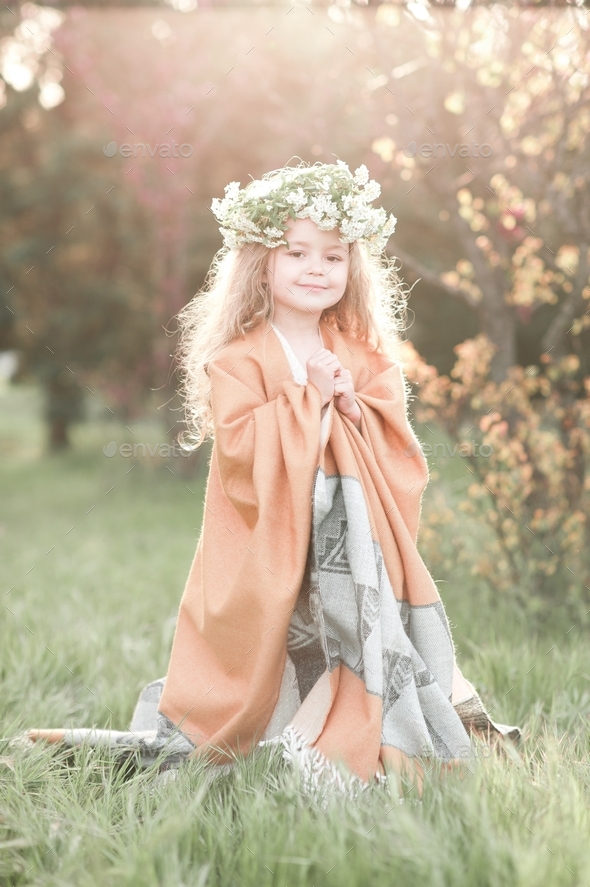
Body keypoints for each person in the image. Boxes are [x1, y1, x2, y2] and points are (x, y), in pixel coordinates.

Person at [24, 160, 520, 800]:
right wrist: (303, 402)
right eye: (297, 253)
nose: (317, 269)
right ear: (261, 260)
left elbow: (398, 449)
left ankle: (354, 736)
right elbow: (239, 450)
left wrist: (349, 408)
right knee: (273, 648)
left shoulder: (364, 356)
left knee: (351, 638)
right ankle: (270, 733)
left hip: (353, 549)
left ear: (353, 266)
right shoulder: (237, 360)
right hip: (273, 545)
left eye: (334, 256)